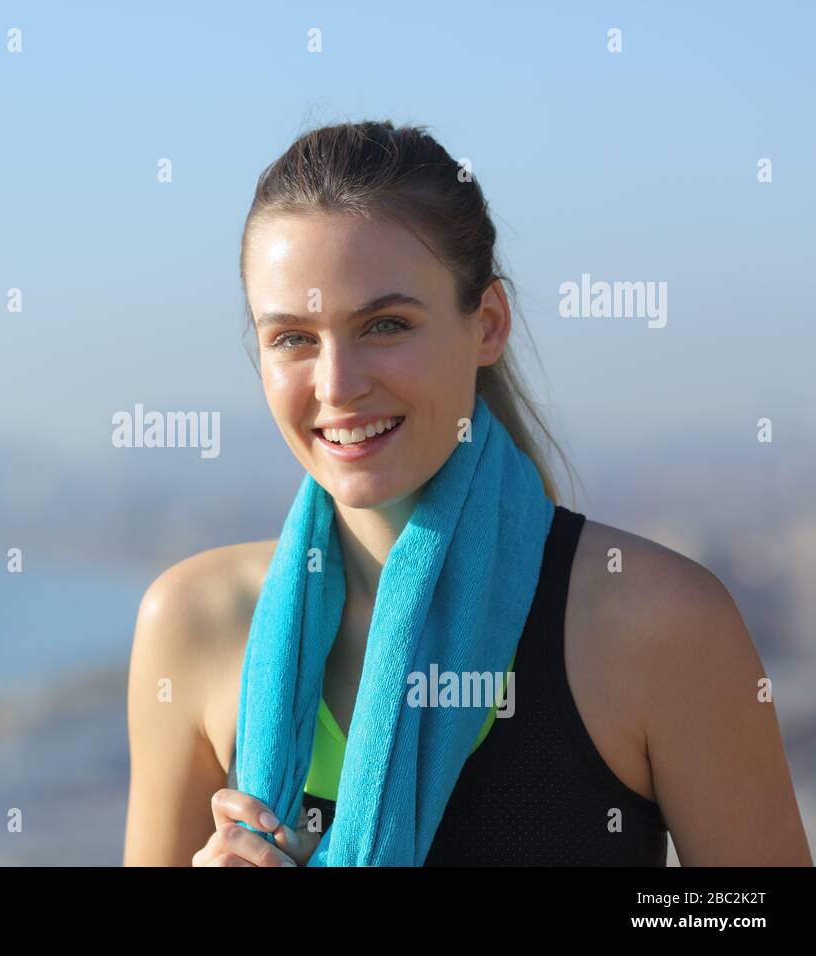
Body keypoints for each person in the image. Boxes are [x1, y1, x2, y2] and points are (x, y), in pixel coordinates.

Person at [122, 120, 812, 867]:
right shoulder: (190, 623)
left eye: (385, 325)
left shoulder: (664, 624)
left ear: (486, 325)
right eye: (292, 337)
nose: (338, 385)